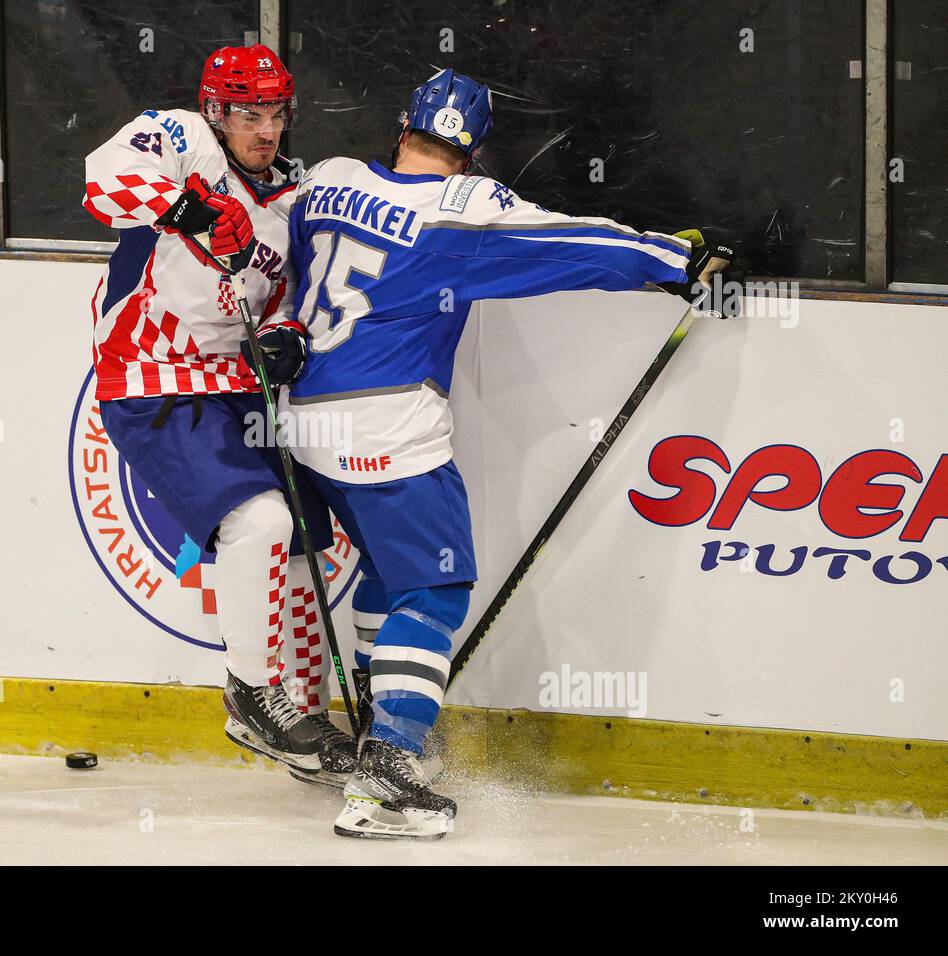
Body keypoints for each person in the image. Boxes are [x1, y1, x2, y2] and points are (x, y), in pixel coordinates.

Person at [283, 68, 737, 839]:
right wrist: (673, 259)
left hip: (304, 422)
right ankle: (387, 775)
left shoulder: (328, 180)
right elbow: (566, 242)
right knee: (435, 591)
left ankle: (371, 731)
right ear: (473, 152)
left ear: (403, 126)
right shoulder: (462, 207)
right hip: (386, 423)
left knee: (391, 576)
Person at [82, 45, 356, 786]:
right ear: (215, 111)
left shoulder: (297, 199)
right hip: (152, 375)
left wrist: (286, 336)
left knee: (302, 543)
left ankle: (304, 716)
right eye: (247, 114)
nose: (265, 130)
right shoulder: (182, 140)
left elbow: (300, 293)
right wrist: (197, 211)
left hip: (237, 385)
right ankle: (250, 694)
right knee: (260, 522)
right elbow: (103, 185)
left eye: (276, 114)